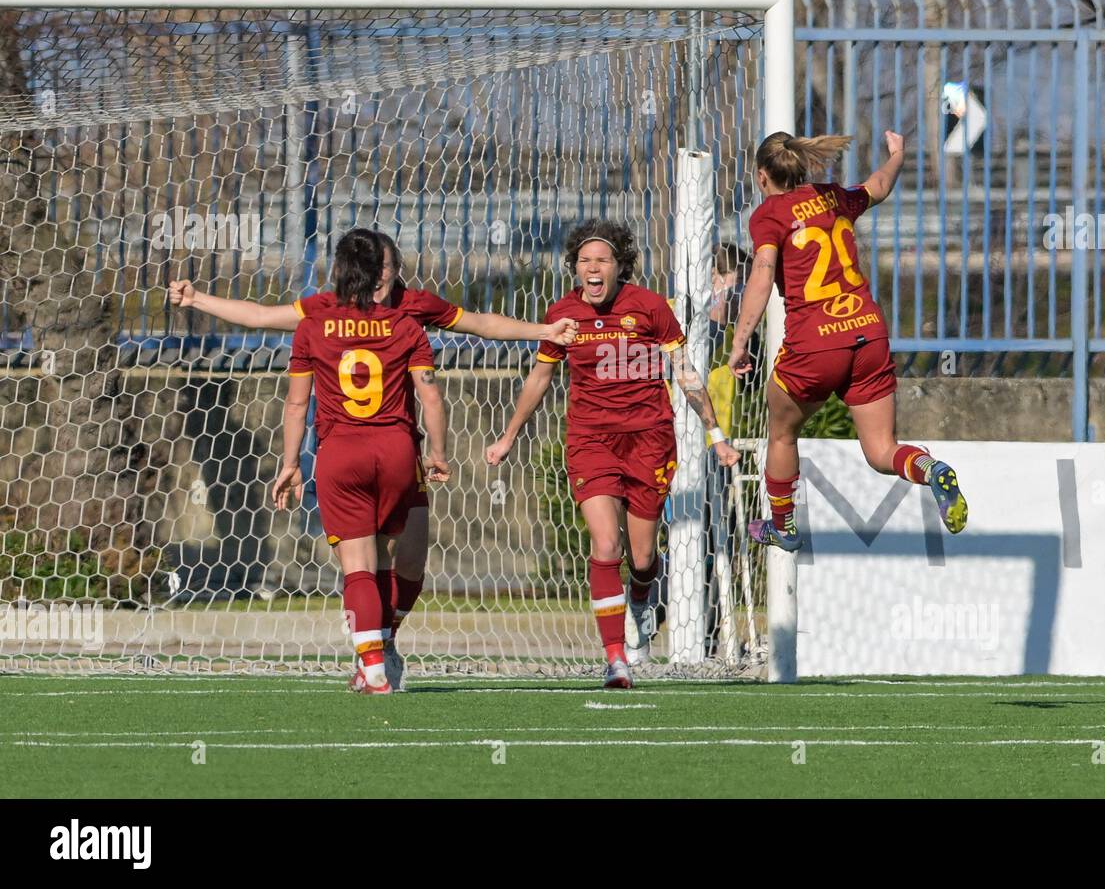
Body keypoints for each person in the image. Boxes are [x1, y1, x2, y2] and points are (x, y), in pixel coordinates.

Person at [169, 233, 577, 689]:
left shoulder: (407, 308)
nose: (385, 275)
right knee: (371, 561)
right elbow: (263, 316)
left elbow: (479, 323)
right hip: (394, 451)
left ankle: (378, 646)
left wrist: (541, 331)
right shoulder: (335, 313)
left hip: (380, 451)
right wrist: (198, 299)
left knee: (405, 564)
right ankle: (374, 654)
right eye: (379, 267)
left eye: (390, 266)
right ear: (360, 272)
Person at [485, 219, 739, 688]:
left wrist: (715, 434)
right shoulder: (562, 315)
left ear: (620, 265)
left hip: (649, 441)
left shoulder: (650, 308)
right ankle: (616, 659)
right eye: (585, 261)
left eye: (602, 260)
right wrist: (508, 436)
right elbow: (540, 379)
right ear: (575, 268)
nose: (593, 268)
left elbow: (684, 373)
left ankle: (642, 604)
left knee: (642, 559)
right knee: (606, 545)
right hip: (591, 442)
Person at [729, 130, 968, 551]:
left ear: (762, 176)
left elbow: (763, 273)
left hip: (816, 342)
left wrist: (740, 340)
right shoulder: (834, 197)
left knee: (782, 432)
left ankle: (782, 527)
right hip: (868, 334)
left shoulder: (768, 215)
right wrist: (897, 154)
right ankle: (929, 468)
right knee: (881, 451)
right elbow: (878, 185)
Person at [271, 228, 447, 694]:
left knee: (360, 568)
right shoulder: (406, 327)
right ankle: (381, 656)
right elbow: (430, 394)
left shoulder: (312, 327)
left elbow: (295, 404)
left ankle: (374, 672)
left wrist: (290, 463)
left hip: (341, 453)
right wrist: (438, 453)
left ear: (339, 272)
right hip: (396, 452)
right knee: (388, 563)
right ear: (380, 273)